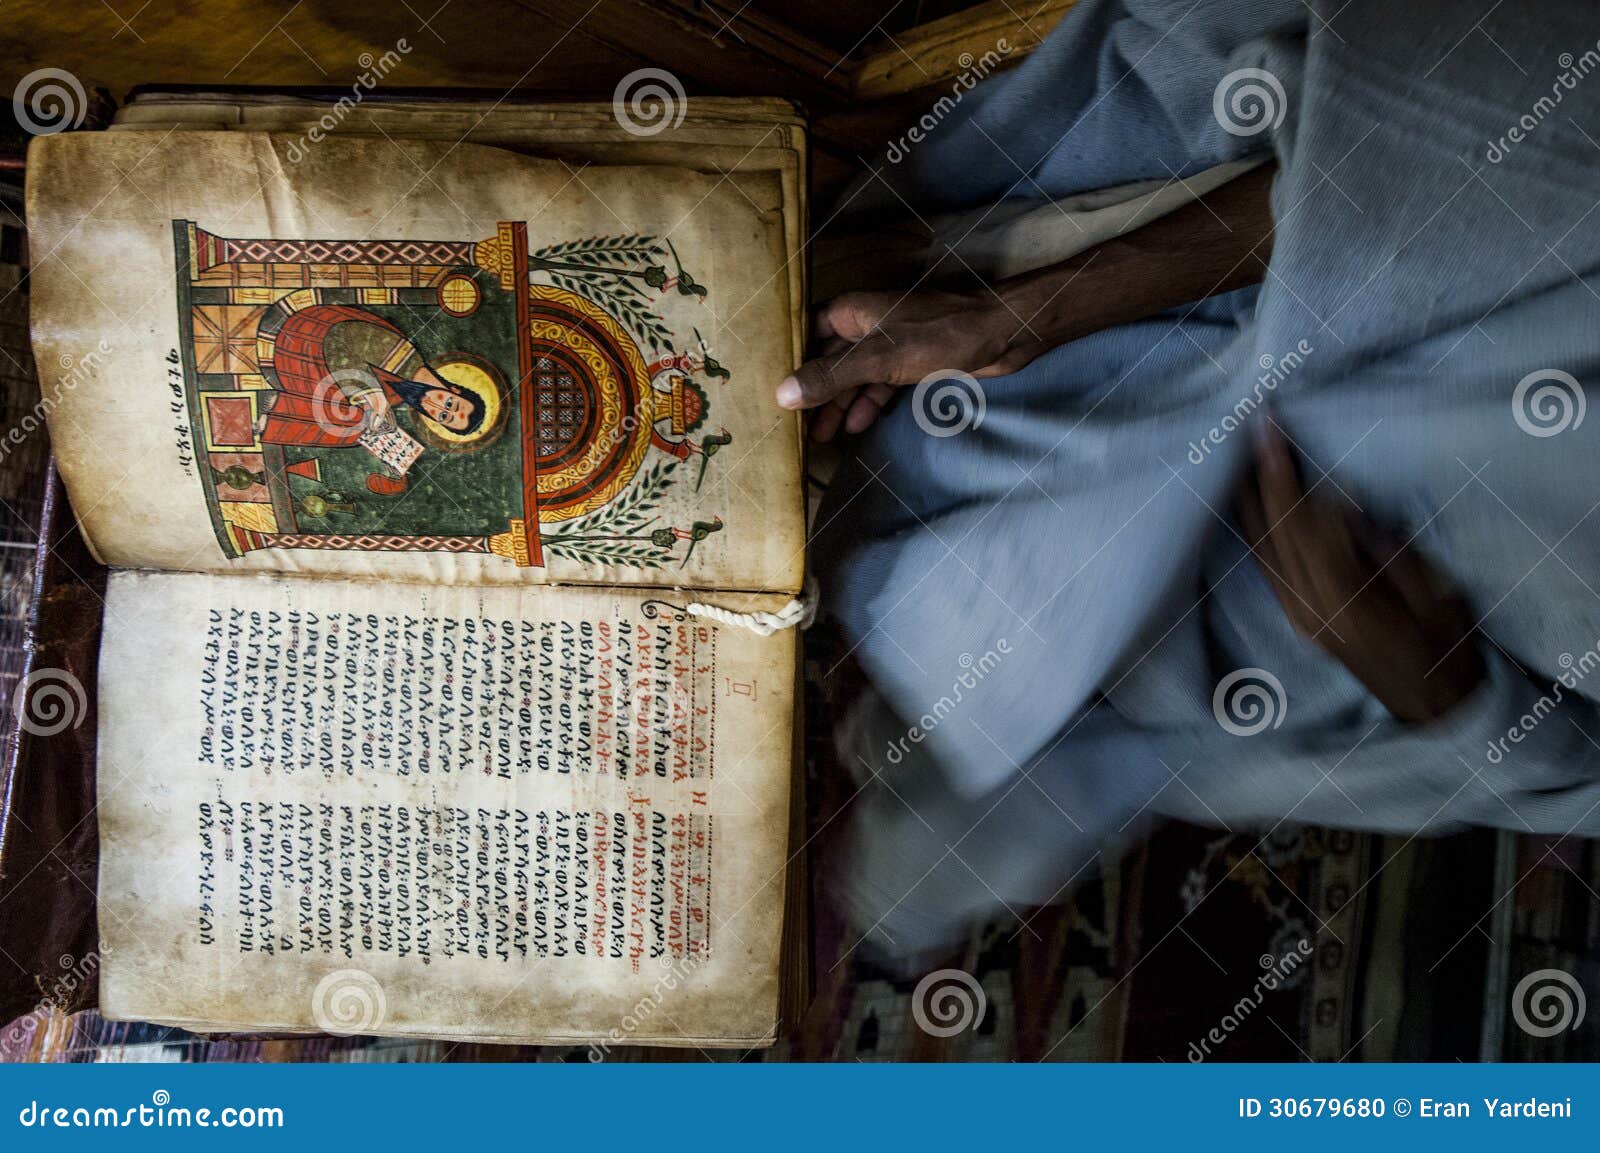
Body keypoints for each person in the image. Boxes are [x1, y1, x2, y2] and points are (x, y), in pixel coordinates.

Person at [791, 0, 1600, 964]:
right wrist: (1034, 309)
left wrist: (1448, 695)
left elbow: (1572, 779)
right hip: (1271, 287)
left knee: (1003, 733)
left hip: (1374, 620)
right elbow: (1503, 144)